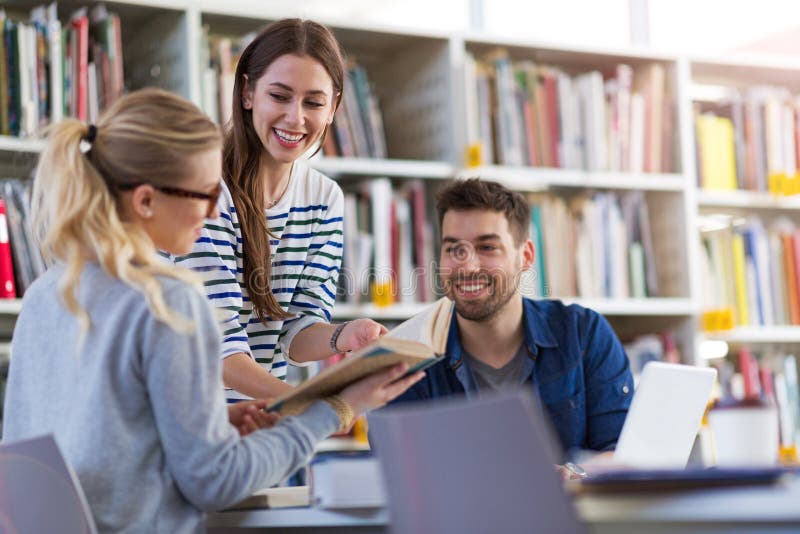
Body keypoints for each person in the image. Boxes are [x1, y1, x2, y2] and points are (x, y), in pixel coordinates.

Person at [2, 88, 423, 533]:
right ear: (145, 201)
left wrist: (209, 421)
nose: (214, 212)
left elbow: (88, 439)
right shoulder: (169, 301)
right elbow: (215, 482)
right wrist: (333, 410)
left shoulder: (47, 294)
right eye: (204, 195)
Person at [174, 19, 385, 401]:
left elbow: (295, 331)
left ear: (333, 107)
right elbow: (220, 350)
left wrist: (345, 335)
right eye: (279, 96)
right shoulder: (204, 188)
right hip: (186, 419)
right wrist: (306, 406)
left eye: (313, 102)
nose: (295, 118)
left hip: (260, 420)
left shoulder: (324, 198)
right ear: (247, 93)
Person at [389, 178, 634, 455]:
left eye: (487, 247)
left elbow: (621, 454)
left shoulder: (584, 334)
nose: (467, 267)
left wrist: (569, 474)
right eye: (454, 249)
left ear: (526, 256)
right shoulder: (410, 355)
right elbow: (399, 468)